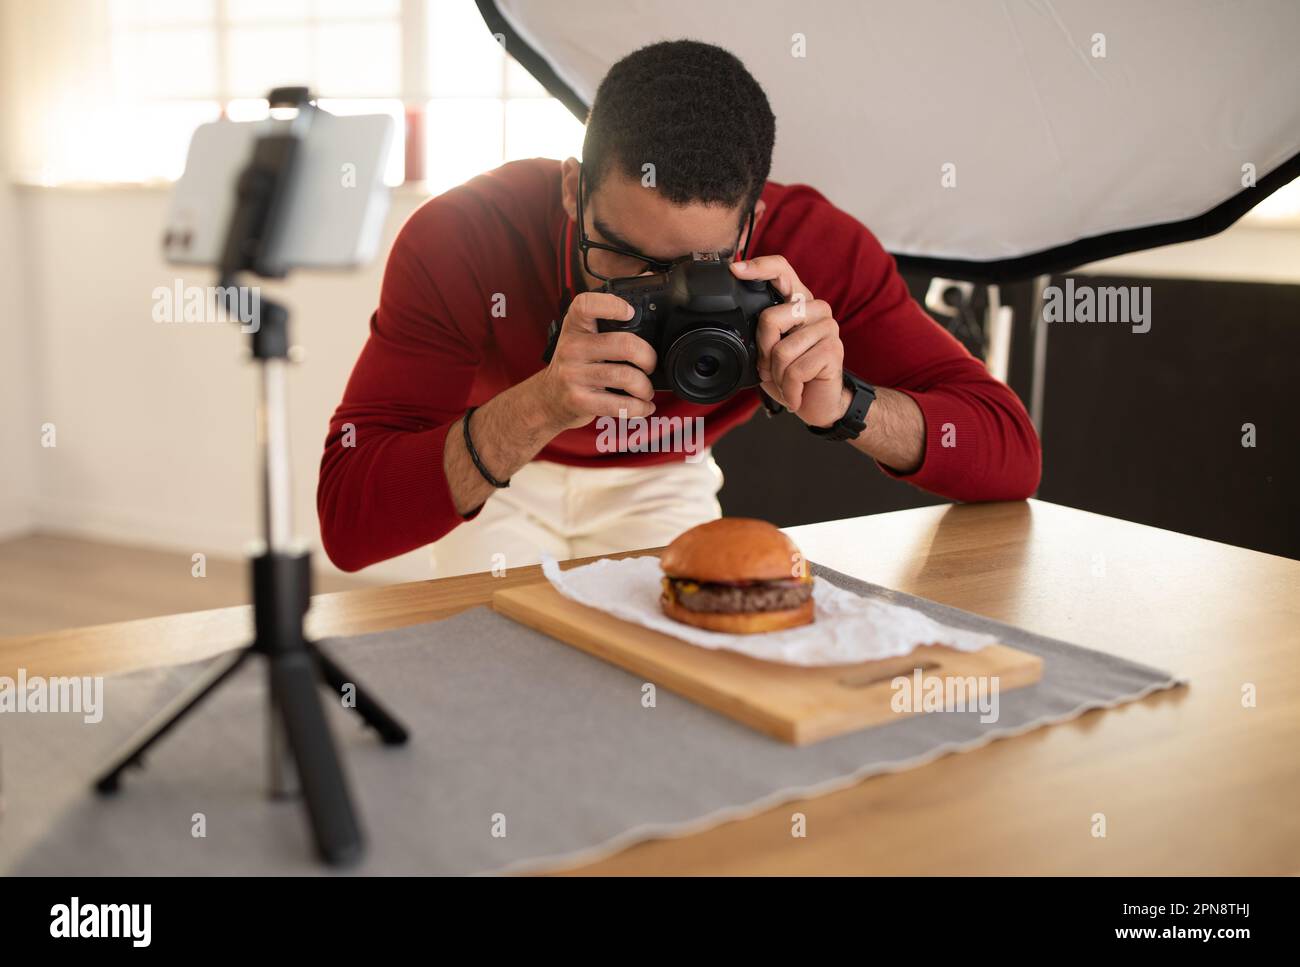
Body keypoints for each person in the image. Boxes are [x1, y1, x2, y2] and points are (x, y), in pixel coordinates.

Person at [318, 40, 1041, 576]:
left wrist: (848, 406)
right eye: (623, 255)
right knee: (492, 673)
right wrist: (539, 405)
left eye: (697, 267)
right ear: (573, 190)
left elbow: (1013, 454)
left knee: (687, 674)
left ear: (753, 224)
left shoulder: (811, 250)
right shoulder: (465, 234)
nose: (654, 290)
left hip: (668, 468)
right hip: (505, 461)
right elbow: (349, 520)